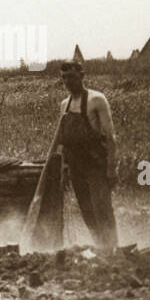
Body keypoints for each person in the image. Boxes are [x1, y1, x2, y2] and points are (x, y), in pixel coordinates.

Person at [55, 61, 118, 252]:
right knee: (87, 210)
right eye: (64, 78)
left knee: (102, 209)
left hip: (95, 163)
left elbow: (111, 137)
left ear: (82, 76)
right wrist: (64, 169)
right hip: (75, 165)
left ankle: (113, 249)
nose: (68, 81)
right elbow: (64, 141)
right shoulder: (64, 105)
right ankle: (101, 247)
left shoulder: (96, 100)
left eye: (72, 77)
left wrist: (111, 167)